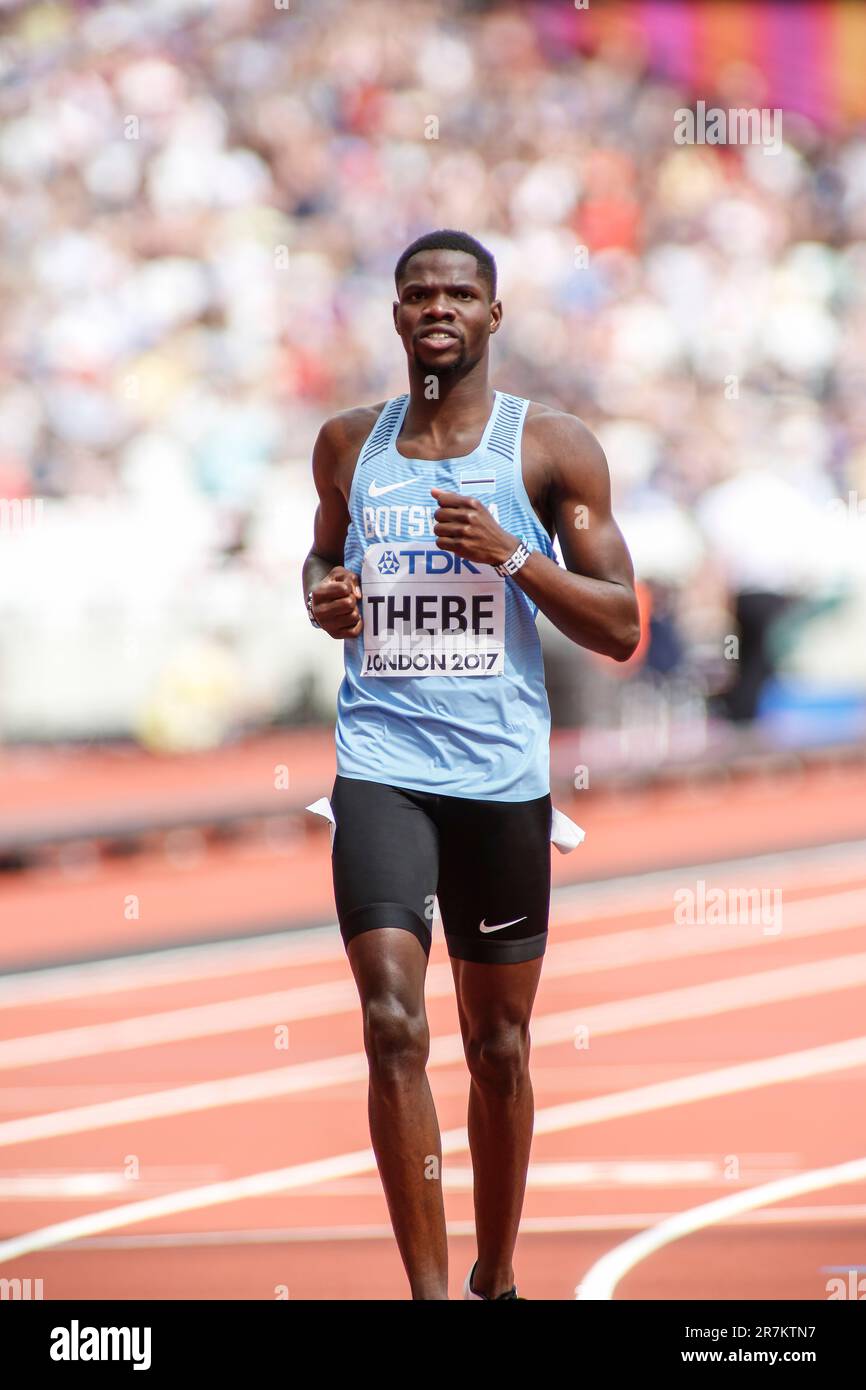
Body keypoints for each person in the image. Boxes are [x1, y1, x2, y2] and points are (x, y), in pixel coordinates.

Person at [302, 229, 639, 1300]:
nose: (435, 306)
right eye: (416, 293)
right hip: (381, 765)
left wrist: (514, 556)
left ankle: (496, 1275)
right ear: (394, 316)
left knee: (497, 1046)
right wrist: (323, 594)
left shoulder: (550, 450)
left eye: (457, 292)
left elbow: (621, 623)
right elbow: (320, 550)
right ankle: (430, 1296)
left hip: (498, 780)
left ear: (493, 316)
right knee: (392, 1022)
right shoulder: (348, 444)